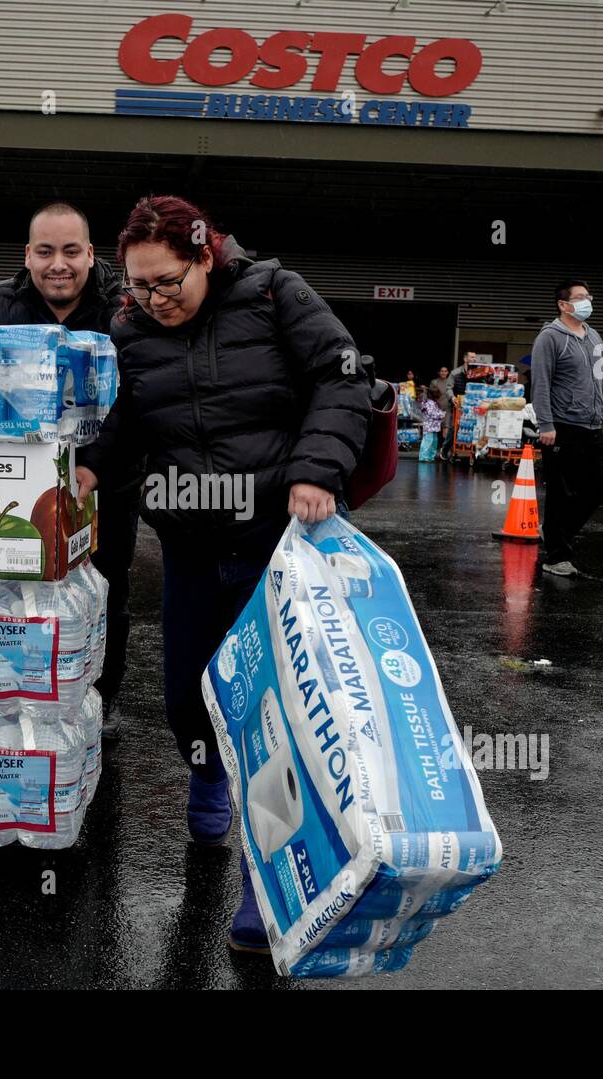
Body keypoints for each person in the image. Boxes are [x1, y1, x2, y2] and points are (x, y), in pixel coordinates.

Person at [75, 195, 370, 954]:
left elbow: (345, 377)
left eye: (167, 281)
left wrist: (315, 469)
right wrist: (88, 466)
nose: (152, 299)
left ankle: (264, 883)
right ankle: (206, 774)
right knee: (186, 697)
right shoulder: (132, 329)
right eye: (138, 285)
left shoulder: (274, 294)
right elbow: (131, 419)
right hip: (190, 545)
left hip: (279, 543)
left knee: (270, 716)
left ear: (206, 256)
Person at [0, 201, 138, 738]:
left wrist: (93, 465)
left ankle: (96, 700)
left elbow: (134, 398)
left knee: (104, 587)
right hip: (22, 484)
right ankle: (15, 692)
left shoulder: (122, 309)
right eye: (45, 252)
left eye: (71, 251)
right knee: (14, 590)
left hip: (105, 482)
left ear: (91, 254)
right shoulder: (2, 303)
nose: (58, 264)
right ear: (28, 255)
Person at [530, 279, 603, 577]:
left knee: (596, 490)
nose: (587, 301)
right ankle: (556, 557)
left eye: (588, 296)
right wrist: (546, 424)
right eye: (580, 297)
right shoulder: (550, 338)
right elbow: (540, 384)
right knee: (561, 493)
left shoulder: (593, 336)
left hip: (592, 426)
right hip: (562, 427)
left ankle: (555, 532)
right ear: (563, 304)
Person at [419, 386, 444, 461]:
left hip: (433, 426)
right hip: (429, 426)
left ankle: (430, 456)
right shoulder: (430, 403)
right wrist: (442, 414)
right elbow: (432, 413)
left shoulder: (433, 402)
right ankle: (424, 457)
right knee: (428, 441)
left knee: (433, 442)